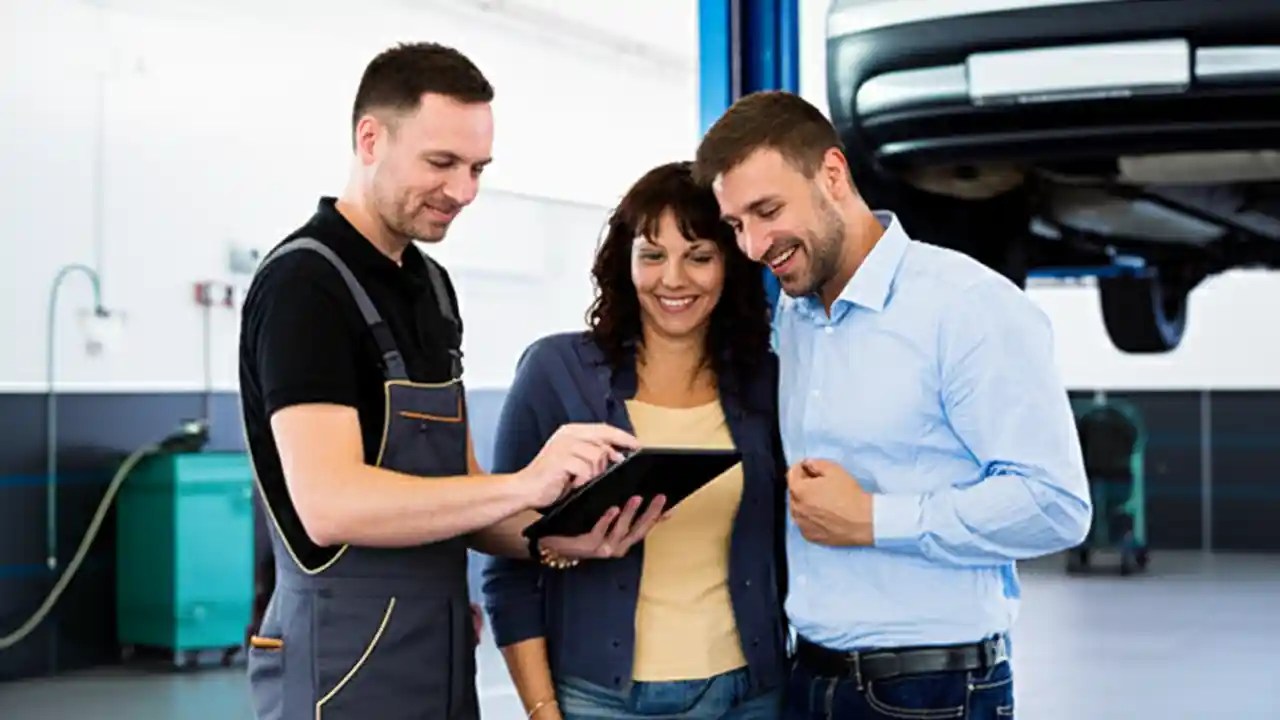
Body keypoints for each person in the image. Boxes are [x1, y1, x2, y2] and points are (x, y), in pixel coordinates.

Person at [237, 42, 658, 720]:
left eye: (477, 169)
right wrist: (526, 483)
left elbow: (456, 492)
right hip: (336, 664)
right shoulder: (304, 286)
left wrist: (550, 533)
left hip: (438, 649)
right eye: (441, 164)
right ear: (370, 139)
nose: (463, 191)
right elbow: (330, 503)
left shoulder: (430, 287)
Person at [693, 91, 1093, 719]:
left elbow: (1056, 507)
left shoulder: (967, 307)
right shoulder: (793, 317)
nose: (752, 245)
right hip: (809, 680)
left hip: (934, 692)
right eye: (737, 224)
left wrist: (875, 518)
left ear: (832, 174)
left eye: (767, 211)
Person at [481, 161, 790, 720]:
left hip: (750, 694)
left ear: (730, 266)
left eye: (699, 256)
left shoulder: (763, 384)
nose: (673, 278)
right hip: (598, 701)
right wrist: (542, 710)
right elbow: (508, 569)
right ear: (625, 263)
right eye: (652, 255)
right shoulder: (555, 371)